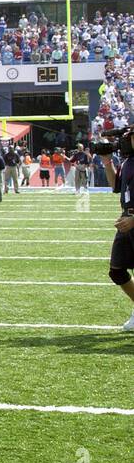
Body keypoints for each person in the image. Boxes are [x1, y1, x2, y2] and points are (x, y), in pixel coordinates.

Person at [98, 127, 134, 331]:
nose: (126, 141)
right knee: (117, 271)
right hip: (126, 217)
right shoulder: (128, 161)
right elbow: (115, 186)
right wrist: (106, 162)